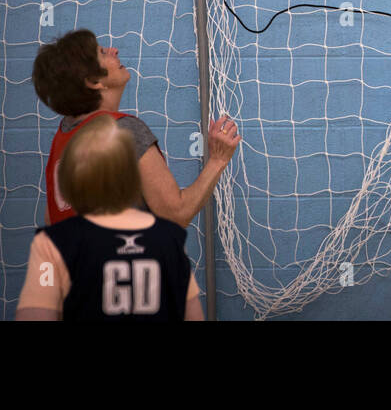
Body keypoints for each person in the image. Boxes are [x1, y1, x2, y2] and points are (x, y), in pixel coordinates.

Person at [32, 28, 240, 227]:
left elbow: (52, 219)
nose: (114, 50)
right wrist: (218, 159)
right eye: (103, 53)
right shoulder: (123, 131)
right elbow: (177, 215)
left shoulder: (64, 134)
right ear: (94, 82)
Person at [15, 114, 203, 320]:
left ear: (68, 182)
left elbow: (36, 314)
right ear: (134, 181)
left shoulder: (52, 243)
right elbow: (193, 315)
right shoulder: (170, 240)